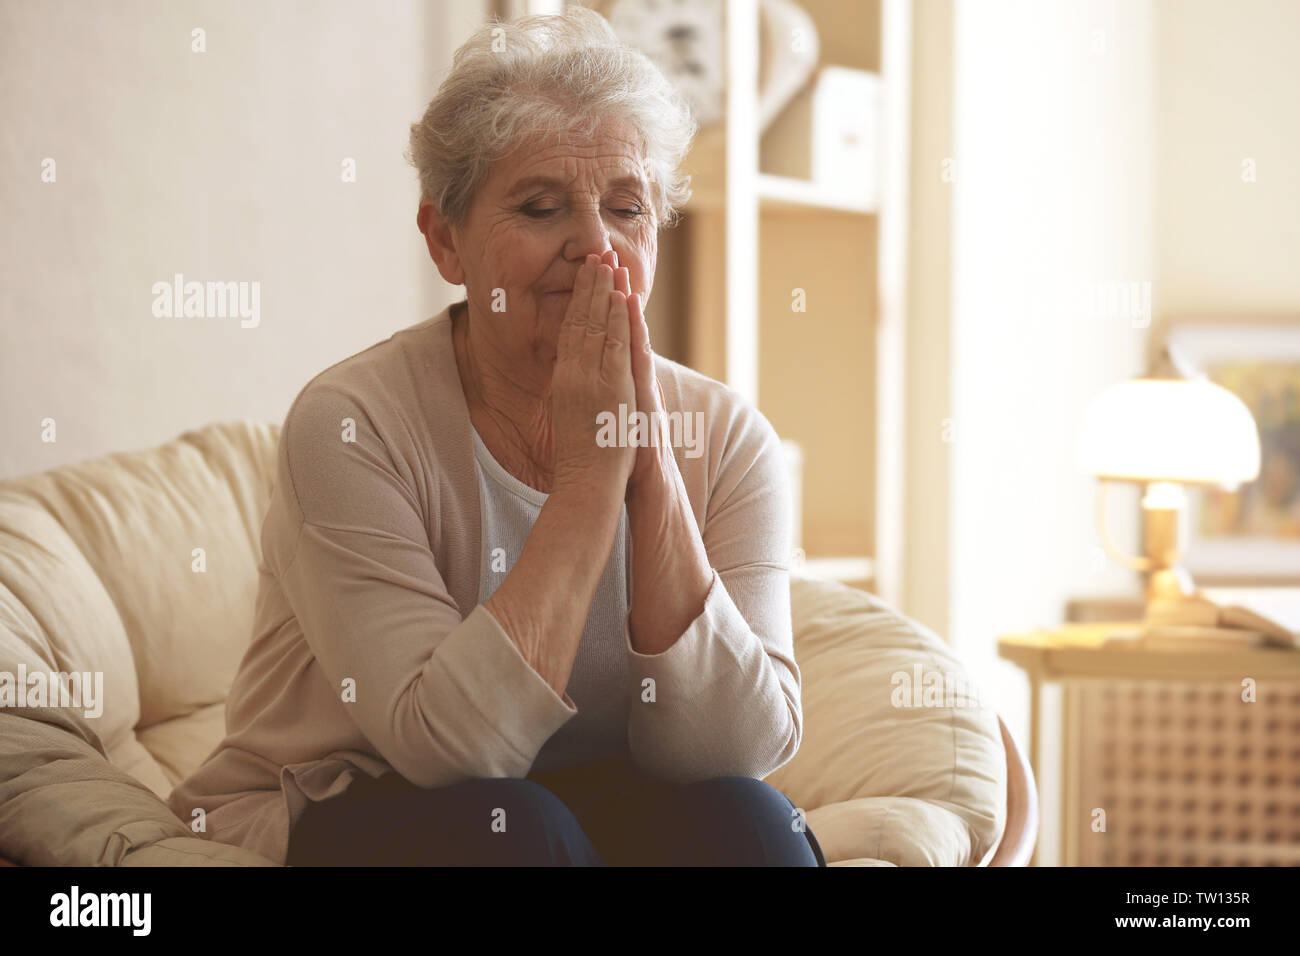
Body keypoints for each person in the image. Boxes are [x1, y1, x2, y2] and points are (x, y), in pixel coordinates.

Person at [168, 5, 822, 867]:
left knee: (749, 824)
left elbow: (740, 750)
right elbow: (448, 750)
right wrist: (591, 482)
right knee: (512, 830)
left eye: (627, 208)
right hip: (358, 797)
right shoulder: (352, 424)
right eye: (541, 207)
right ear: (446, 239)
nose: (596, 247)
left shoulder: (729, 436)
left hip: (591, 798)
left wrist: (649, 466)